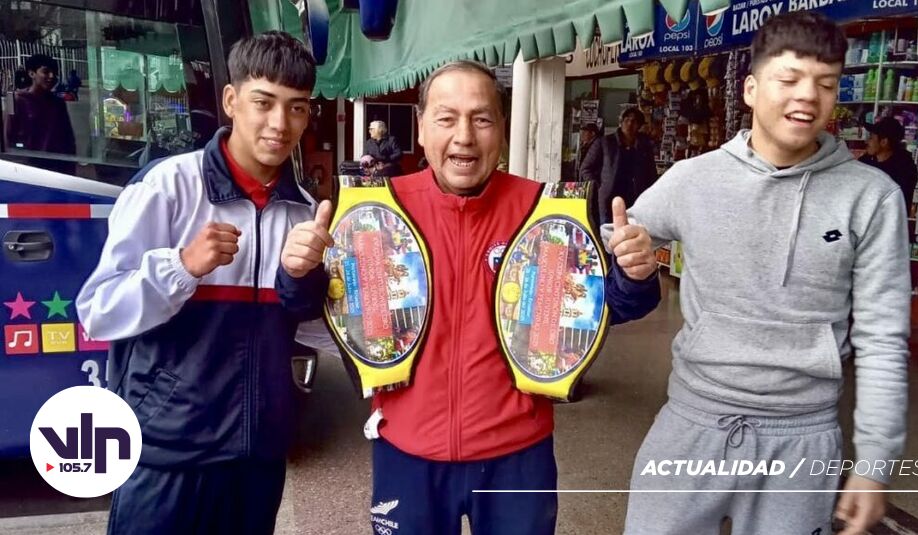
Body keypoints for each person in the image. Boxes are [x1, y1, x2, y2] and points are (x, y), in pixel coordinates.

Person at [279, 59, 661, 535]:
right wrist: (297, 271)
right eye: (447, 118)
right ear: (420, 129)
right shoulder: (377, 212)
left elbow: (616, 306)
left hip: (518, 459)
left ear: (501, 129)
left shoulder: (545, 212)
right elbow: (310, 305)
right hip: (408, 455)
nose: (464, 136)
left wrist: (635, 273)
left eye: (481, 118)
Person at [606, 12, 909, 535]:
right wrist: (628, 252)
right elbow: (626, 235)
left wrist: (875, 463)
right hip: (692, 421)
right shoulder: (693, 179)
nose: (807, 97)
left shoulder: (872, 196)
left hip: (803, 436)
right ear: (749, 89)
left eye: (825, 84)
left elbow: (884, 338)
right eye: (788, 80)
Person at [76, 31, 330, 535]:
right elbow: (99, 309)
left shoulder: (302, 208)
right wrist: (181, 267)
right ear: (232, 101)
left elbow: (301, 322)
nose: (281, 124)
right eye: (264, 102)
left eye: (297, 108)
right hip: (168, 452)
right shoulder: (168, 186)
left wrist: (301, 278)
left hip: (256, 458)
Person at [581, 106, 657, 225]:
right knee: (608, 234)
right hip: (609, 199)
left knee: (631, 233)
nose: (630, 124)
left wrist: (649, 194)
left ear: (640, 126)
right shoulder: (605, 143)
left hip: (635, 200)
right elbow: (586, 169)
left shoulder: (644, 147)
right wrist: (599, 186)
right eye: (627, 120)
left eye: (634, 121)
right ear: (621, 122)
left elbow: (651, 174)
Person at [5, 54, 76, 174]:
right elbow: (8, 138)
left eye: (54, 72)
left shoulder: (58, 103)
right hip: (29, 169)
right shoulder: (17, 101)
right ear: (32, 74)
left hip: (58, 168)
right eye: (46, 72)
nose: (51, 76)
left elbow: (68, 139)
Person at [860, 116, 918, 212]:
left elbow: (898, 200)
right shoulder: (865, 161)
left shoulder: (904, 167)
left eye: (871, 138)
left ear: (884, 142)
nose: (867, 142)